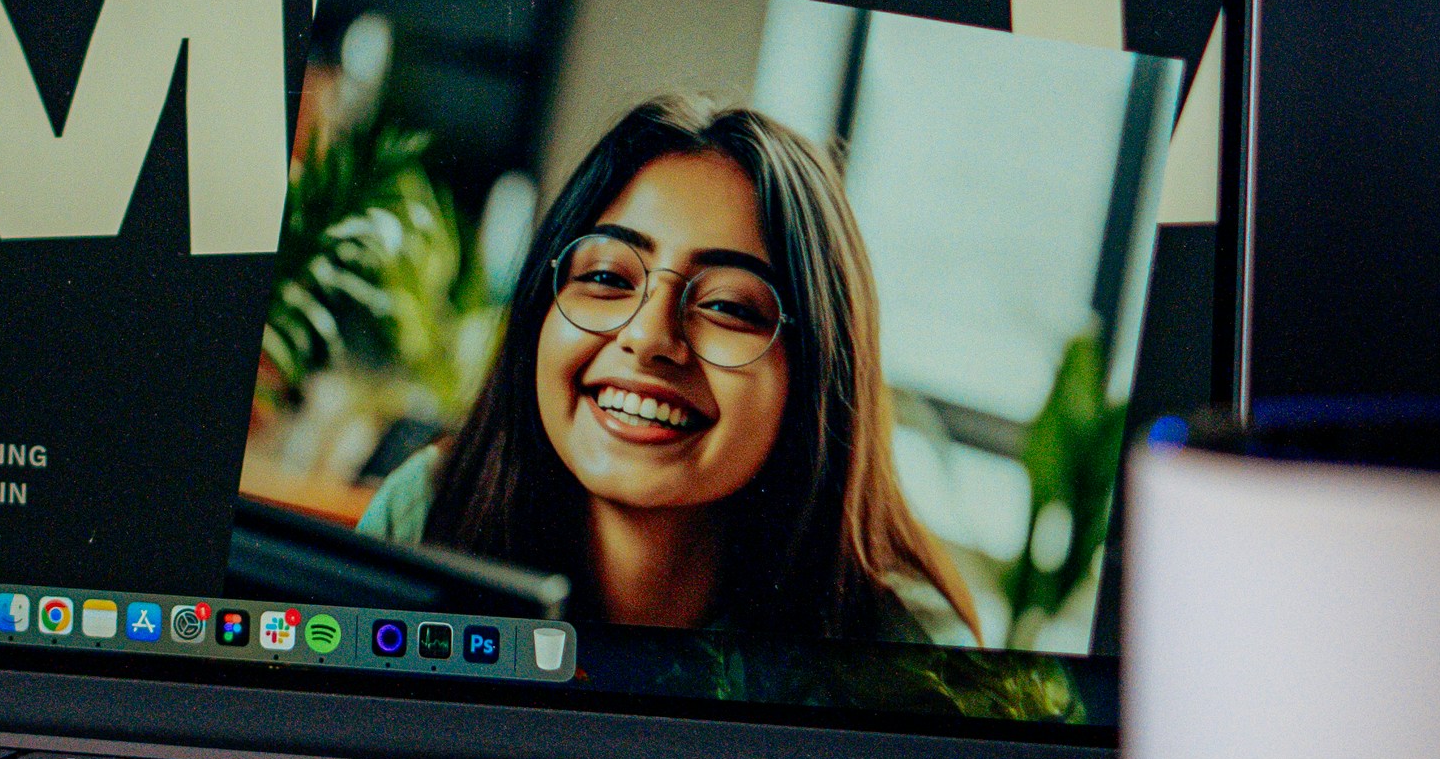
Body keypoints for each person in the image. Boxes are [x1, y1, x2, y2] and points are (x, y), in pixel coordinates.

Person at [359, 95, 977, 644]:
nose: (649, 335)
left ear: (817, 374)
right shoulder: (425, 516)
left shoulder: (912, 655)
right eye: (605, 277)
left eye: (728, 306)